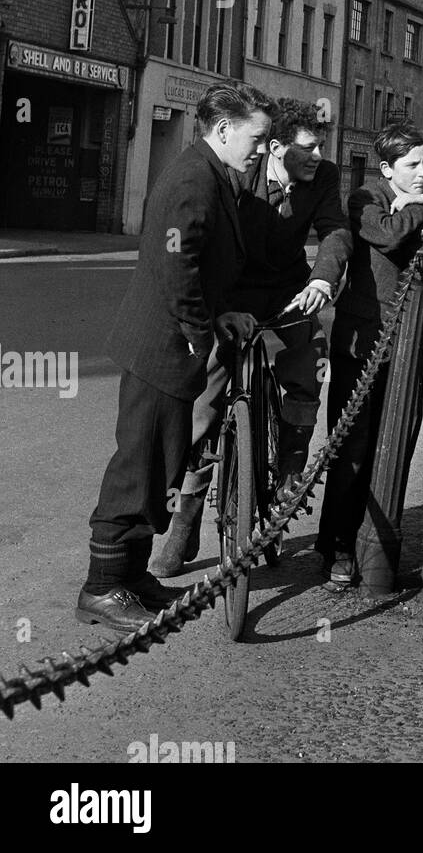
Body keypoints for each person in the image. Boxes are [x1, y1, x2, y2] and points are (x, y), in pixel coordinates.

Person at [77, 82, 275, 632]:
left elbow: (204, 261)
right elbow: (177, 262)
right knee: (137, 465)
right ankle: (100, 588)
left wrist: (219, 315)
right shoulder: (194, 178)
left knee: (160, 462)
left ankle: (131, 575)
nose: (261, 148)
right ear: (225, 128)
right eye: (257, 137)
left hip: (173, 347)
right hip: (161, 348)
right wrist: (197, 329)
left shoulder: (211, 174)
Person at [149, 98, 353, 578]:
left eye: (321, 146)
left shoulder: (322, 179)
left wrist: (322, 279)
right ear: (277, 147)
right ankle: (186, 519)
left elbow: (335, 231)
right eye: (308, 148)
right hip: (233, 294)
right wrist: (216, 308)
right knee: (205, 404)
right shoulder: (241, 170)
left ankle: (285, 487)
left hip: (289, 294)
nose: (318, 155)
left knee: (305, 380)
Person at [316, 121, 423, 587]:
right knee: (354, 451)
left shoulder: (422, 196)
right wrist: (421, 215)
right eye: (413, 165)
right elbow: (384, 236)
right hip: (362, 344)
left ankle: (378, 542)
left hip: (406, 344)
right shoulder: (365, 197)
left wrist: (418, 207)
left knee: (399, 441)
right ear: (387, 169)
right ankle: (338, 546)